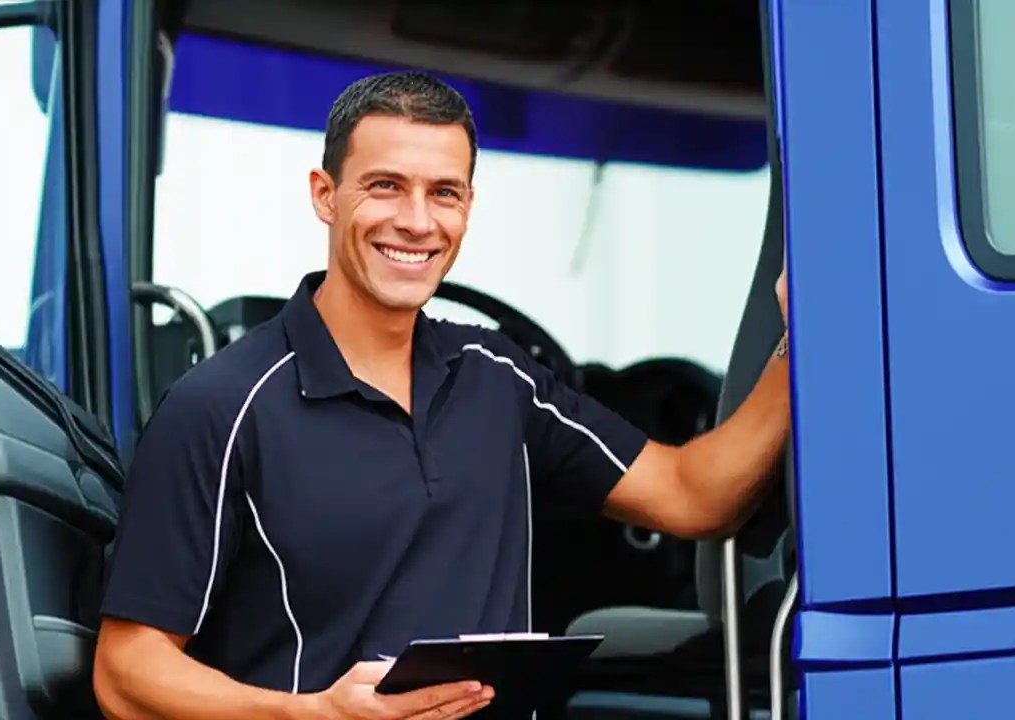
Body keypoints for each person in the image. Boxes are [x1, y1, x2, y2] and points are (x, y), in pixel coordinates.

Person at [93, 70, 790, 720]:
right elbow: (125, 673)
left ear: (468, 205)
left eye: (444, 192)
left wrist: (805, 336)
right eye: (386, 186)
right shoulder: (220, 405)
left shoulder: (496, 375)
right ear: (324, 194)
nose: (418, 222)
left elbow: (694, 494)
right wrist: (314, 714)